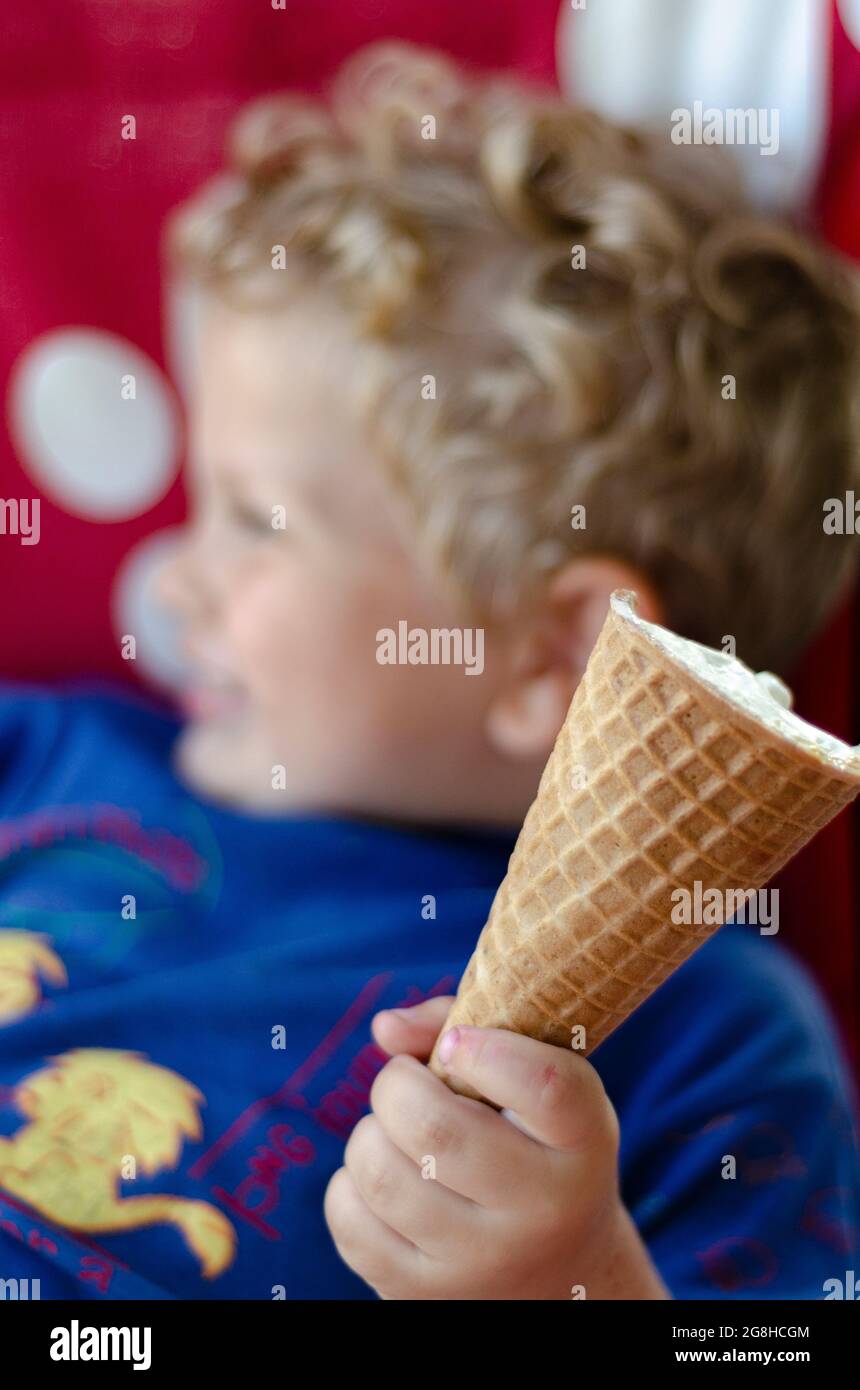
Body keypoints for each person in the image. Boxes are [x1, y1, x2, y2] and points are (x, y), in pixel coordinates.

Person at [0, 43, 858, 1300]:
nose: (177, 579)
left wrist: (568, 1275)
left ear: (552, 652)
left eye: (254, 518)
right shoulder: (53, 752)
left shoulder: (706, 1029)